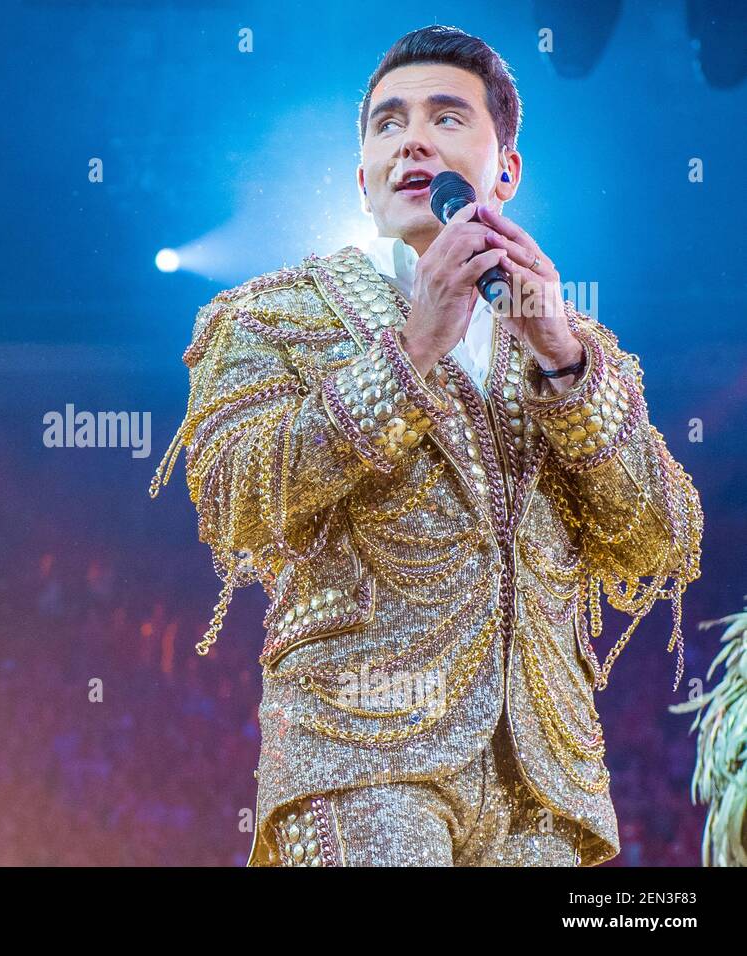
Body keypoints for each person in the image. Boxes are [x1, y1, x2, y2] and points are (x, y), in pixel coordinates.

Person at [149, 25, 703, 866]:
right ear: (364, 180)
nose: (411, 138)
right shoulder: (271, 317)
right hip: (357, 751)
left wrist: (564, 364)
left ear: (505, 171)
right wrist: (409, 354)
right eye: (387, 124)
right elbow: (231, 497)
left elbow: (663, 539)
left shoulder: (576, 345)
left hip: (546, 780)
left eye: (447, 117)